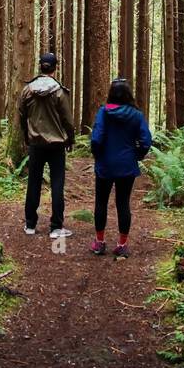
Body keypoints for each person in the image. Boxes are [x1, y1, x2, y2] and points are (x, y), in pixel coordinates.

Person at [89, 77, 152, 258]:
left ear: (111, 94)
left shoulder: (104, 112)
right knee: (123, 203)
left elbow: (96, 138)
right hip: (126, 165)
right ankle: (122, 244)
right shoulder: (137, 115)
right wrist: (136, 155)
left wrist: (97, 154)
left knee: (101, 202)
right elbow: (146, 141)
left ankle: (99, 243)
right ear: (129, 94)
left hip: (105, 165)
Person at [18, 52, 75, 238]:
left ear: (40, 66)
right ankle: (56, 227)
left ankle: (30, 224)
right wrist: (70, 138)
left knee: (33, 182)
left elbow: (21, 114)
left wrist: (26, 136)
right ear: (54, 67)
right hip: (57, 145)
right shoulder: (59, 91)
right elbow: (67, 119)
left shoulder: (27, 90)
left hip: (35, 144)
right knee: (57, 183)